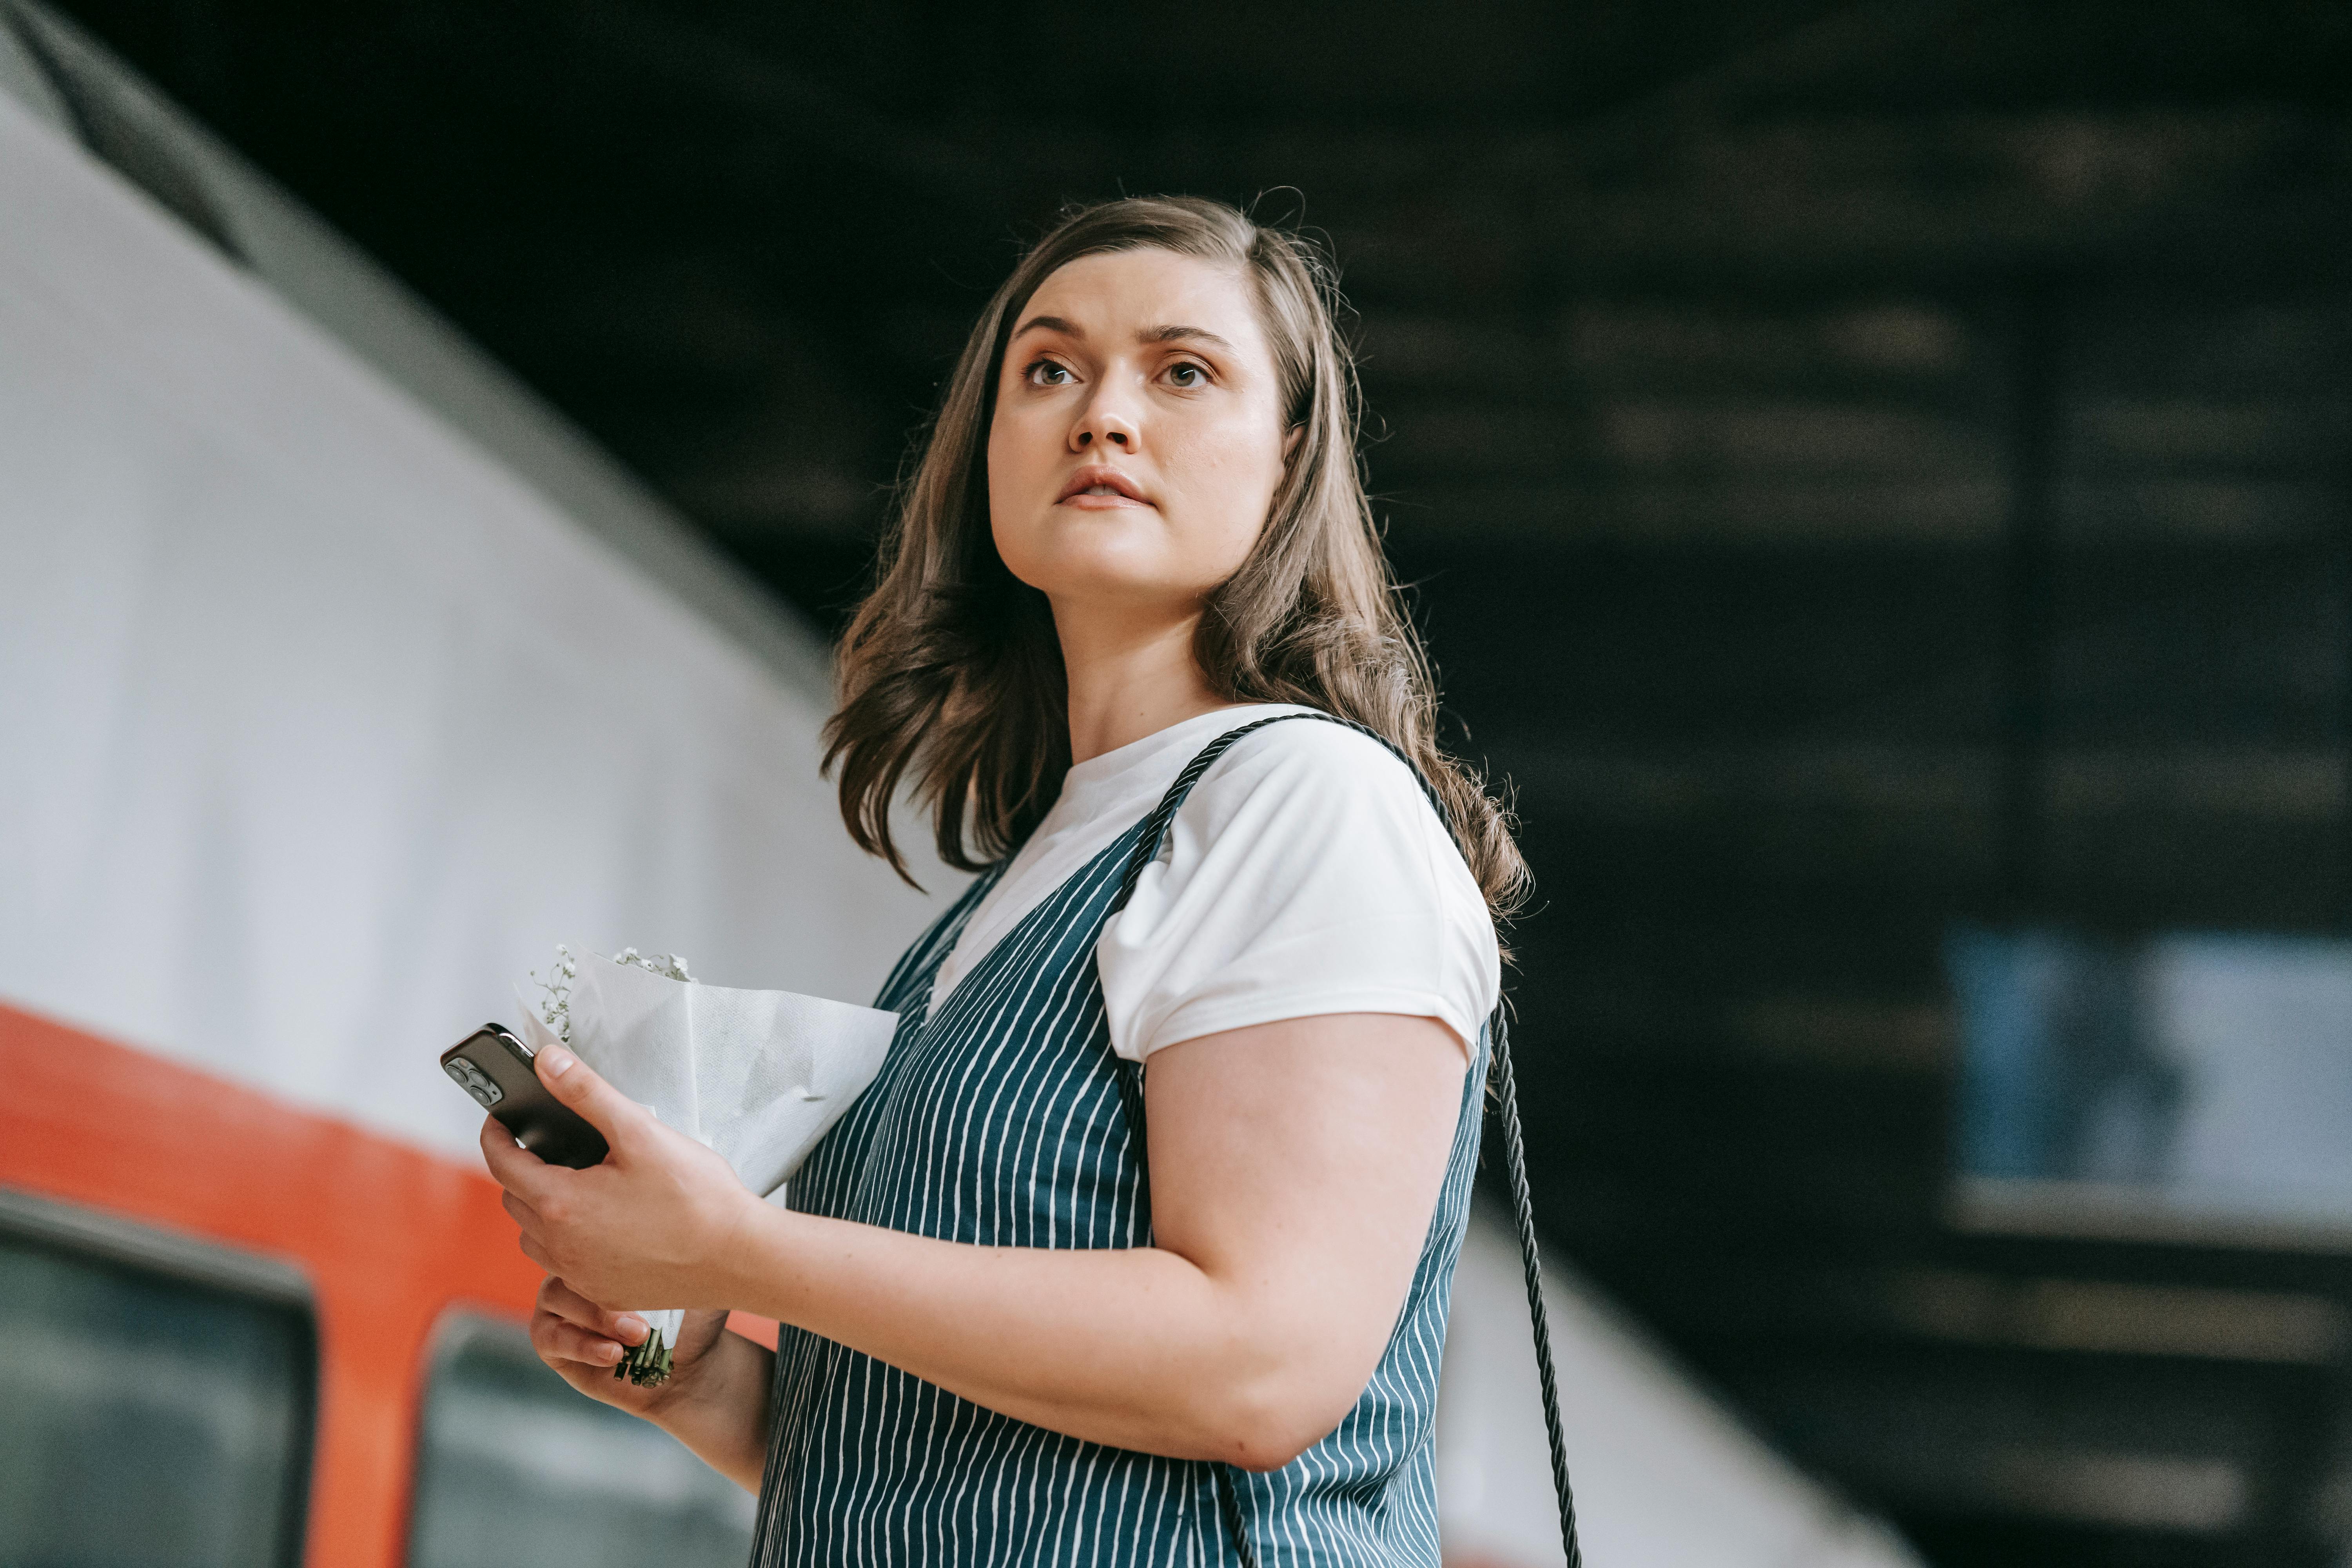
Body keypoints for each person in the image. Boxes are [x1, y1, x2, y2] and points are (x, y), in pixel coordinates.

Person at [481, 194, 1529, 1566]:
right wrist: (694, 1377)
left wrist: (732, 1251)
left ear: (1288, 458)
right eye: (1049, 369)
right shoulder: (1018, 889)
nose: (1102, 414)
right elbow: (932, 1458)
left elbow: (1258, 1369)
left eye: (1183, 372)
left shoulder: (1306, 803)